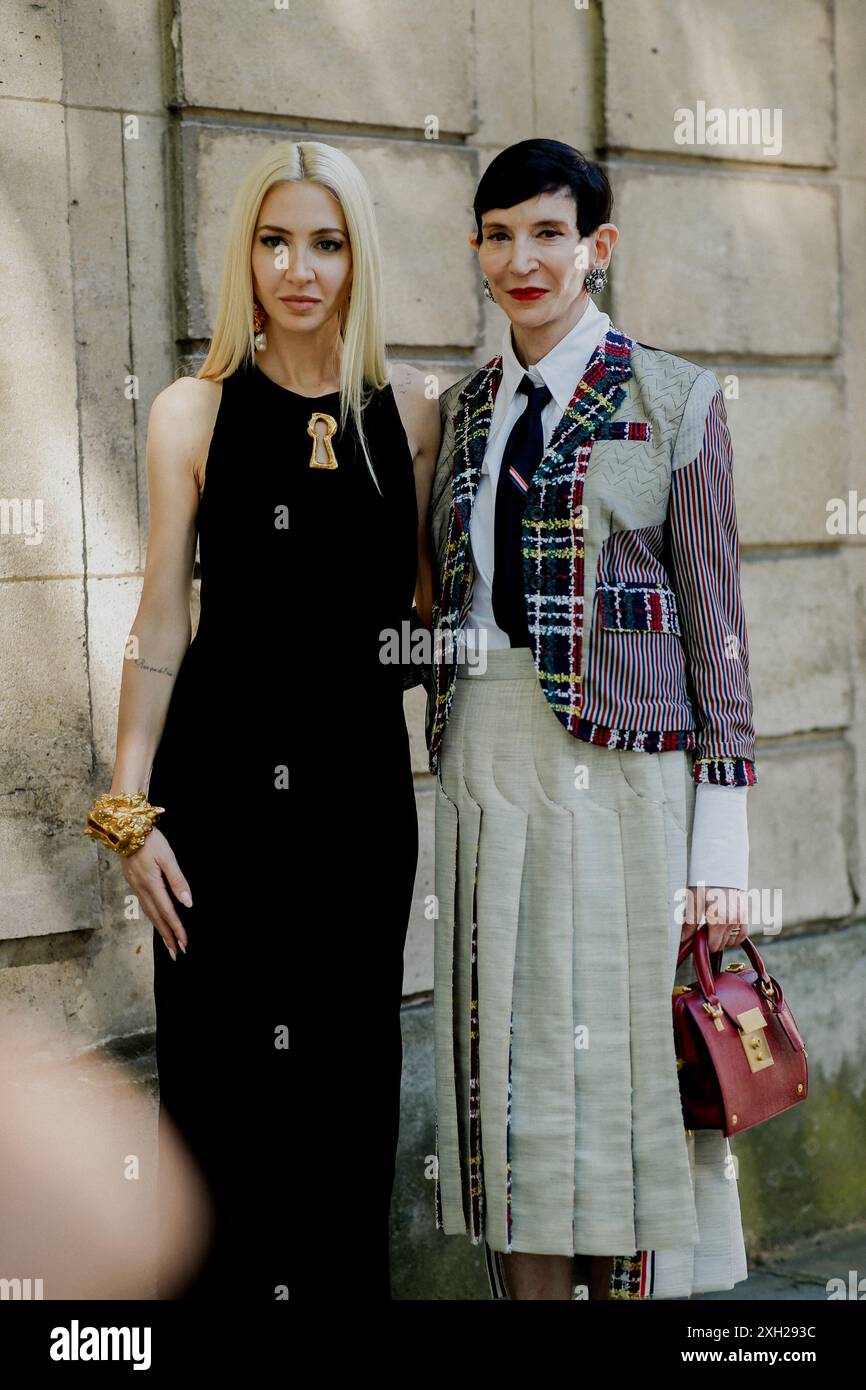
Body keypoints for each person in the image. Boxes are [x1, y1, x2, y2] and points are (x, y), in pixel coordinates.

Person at [85, 139, 439, 1301]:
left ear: (357, 258)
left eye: (326, 242)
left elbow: (430, 618)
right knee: (223, 1099)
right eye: (274, 238)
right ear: (244, 251)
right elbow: (161, 623)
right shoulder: (191, 412)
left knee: (345, 1099)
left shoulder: (415, 415)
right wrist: (128, 809)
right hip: (222, 804)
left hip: (356, 810)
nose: (299, 267)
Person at [425, 138, 757, 1301]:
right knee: (507, 1071)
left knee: (612, 1078)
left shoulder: (673, 397)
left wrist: (719, 855)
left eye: (548, 233)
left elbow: (717, 626)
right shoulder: (461, 414)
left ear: (595, 248)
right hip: (484, 769)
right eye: (499, 235)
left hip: (623, 784)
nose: (523, 259)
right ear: (475, 251)